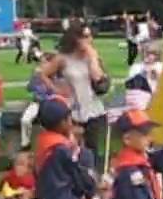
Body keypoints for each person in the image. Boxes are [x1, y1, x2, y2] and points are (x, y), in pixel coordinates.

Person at [39, 22, 110, 169]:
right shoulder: (63, 59)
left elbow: (98, 78)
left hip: (92, 107)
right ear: (75, 38)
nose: (88, 40)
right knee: (72, 146)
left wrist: (93, 58)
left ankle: (93, 176)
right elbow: (43, 74)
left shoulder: (93, 57)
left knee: (93, 148)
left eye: (90, 36)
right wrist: (56, 89)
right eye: (84, 36)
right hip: (73, 107)